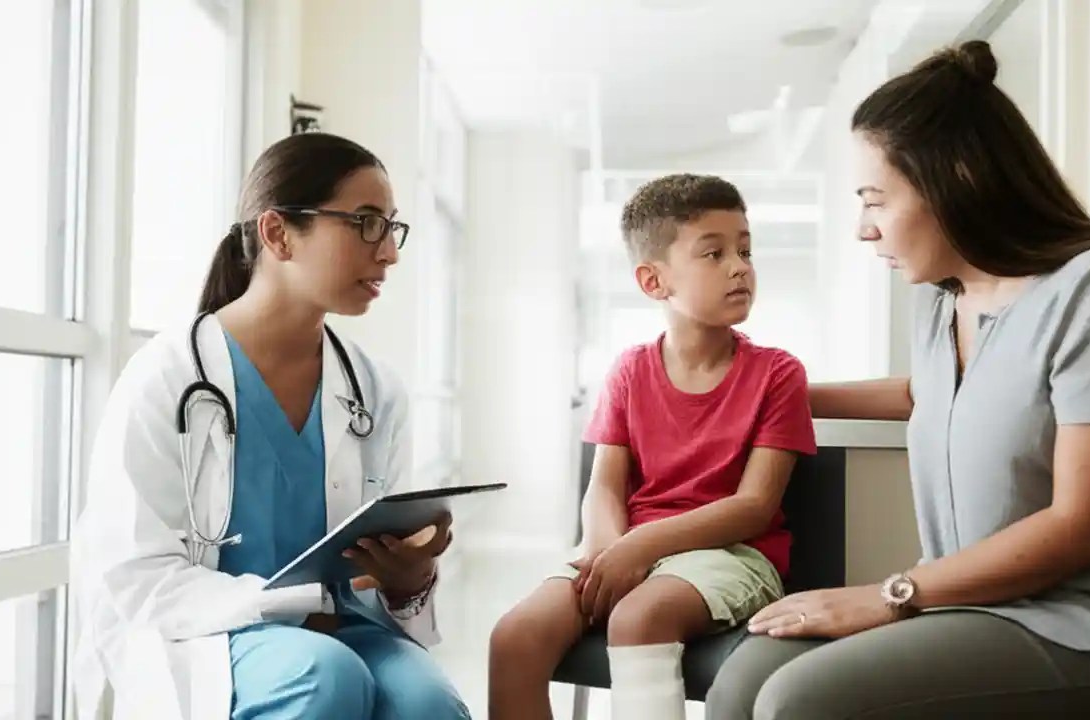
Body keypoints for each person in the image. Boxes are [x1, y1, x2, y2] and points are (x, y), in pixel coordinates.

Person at [705, 40, 1090, 720]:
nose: (862, 228)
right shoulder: (944, 301)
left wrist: (889, 594)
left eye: (875, 199)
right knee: (745, 676)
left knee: (802, 701)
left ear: (959, 174)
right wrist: (767, 391)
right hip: (973, 608)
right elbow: (936, 394)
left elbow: (1087, 524)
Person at [69, 132, 471, 720]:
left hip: (341, 625)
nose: (389, 252)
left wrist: (407, 577)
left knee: (427, 702)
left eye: (391, 226)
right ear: (278, 232)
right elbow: (133, 571)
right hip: (208, 630)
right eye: (365, 223)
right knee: (321, 677)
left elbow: (367, 572)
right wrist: (284, 604)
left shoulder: (374, 389)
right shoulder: (168, 376)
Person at [488, 174, 817, 720]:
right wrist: (604, 555)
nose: (739, 266)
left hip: (732, 556)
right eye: (713, 253)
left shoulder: (778, 373)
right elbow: (603, 491)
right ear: (652, 281)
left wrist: (638, 551)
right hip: (631, 548)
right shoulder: (629, 370)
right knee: (515, 637)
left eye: (745, 250)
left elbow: (753, 506)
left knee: (639, 618)